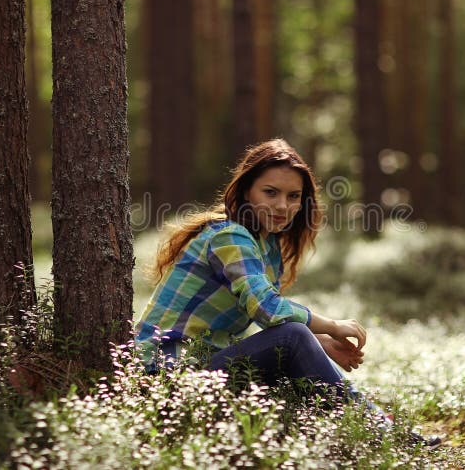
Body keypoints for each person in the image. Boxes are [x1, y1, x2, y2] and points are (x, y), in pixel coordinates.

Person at [134, 139, 440, 447]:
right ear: (246, 191)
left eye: (293, 196)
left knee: (295, 350)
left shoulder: (266, 245)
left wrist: (317, 344)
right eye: (271, 192)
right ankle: (381, 434)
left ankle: (367, 431)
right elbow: (267, 309)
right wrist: (331, 327)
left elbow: (253, 321)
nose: (283, 206)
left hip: (200, 372)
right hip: (166, 378)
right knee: (293, 337)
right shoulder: (230, 236)